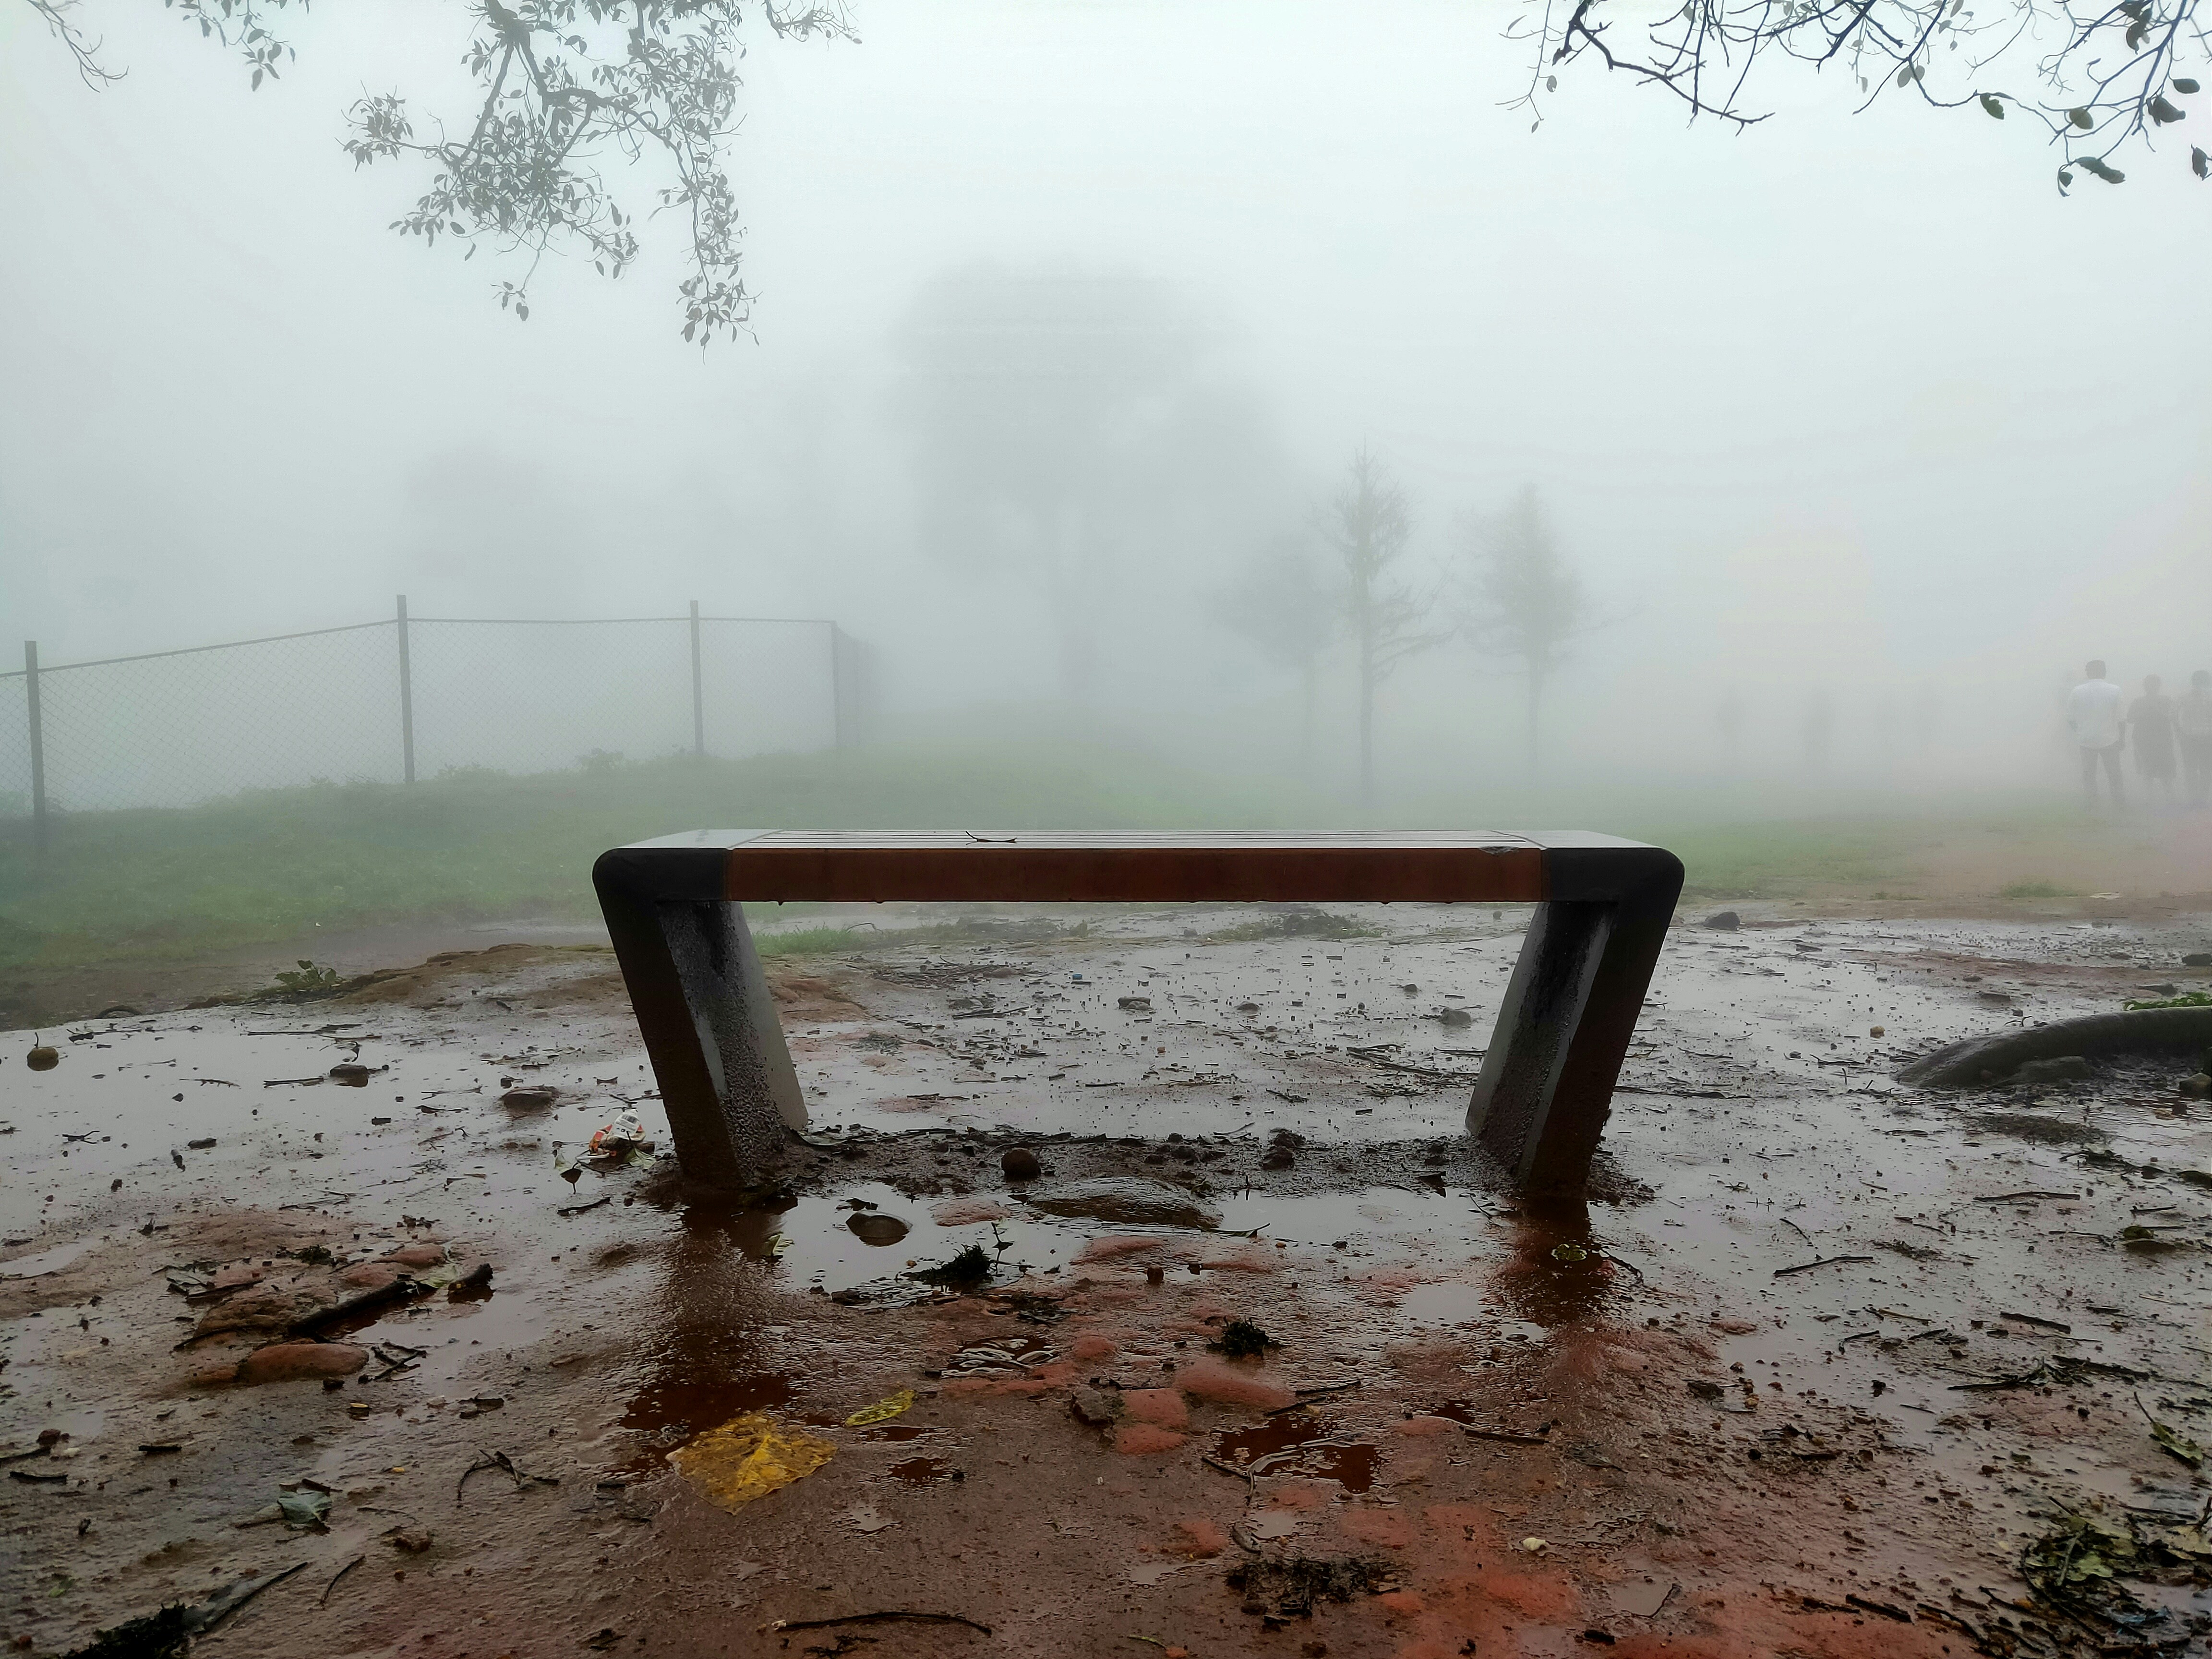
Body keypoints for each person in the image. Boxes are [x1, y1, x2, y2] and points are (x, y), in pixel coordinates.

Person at [2067, 660, 2125, 807]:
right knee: (2114, 775)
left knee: (2089, 775)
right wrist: (2122, 738)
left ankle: (2092, 805)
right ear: (2104, 672)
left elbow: (2070, 718)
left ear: (2088, 673)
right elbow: (2121, 719)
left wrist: (2080, 732)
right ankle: (2119, 804)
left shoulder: (2077, 691)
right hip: (2110, 739)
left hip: (2086, 739)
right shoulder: (2115, 690)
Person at [2128, 674, 2179, 805]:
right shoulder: (2138, 702)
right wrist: (2144, 713)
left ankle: (2170, 799)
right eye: (2149, 685)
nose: (2151, 687)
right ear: (2145, 687)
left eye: (2154, 685)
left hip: (2162, 740)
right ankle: (2150, 800)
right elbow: (2129, 719)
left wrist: (2157, 711)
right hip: (2144, 741)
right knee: (2147, 768)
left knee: (2165, 770)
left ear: (2159, 686)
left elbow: (2172, 717)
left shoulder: (2167, 701)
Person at [2179, 669, 2212, 808]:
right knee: (2206, 768)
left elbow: (2174, 715)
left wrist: (2179, 732)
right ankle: (2204, 799)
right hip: (2208, 738)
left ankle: (2193, 798)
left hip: (2189, 738)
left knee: (2191, 768)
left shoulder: (2184, 697)